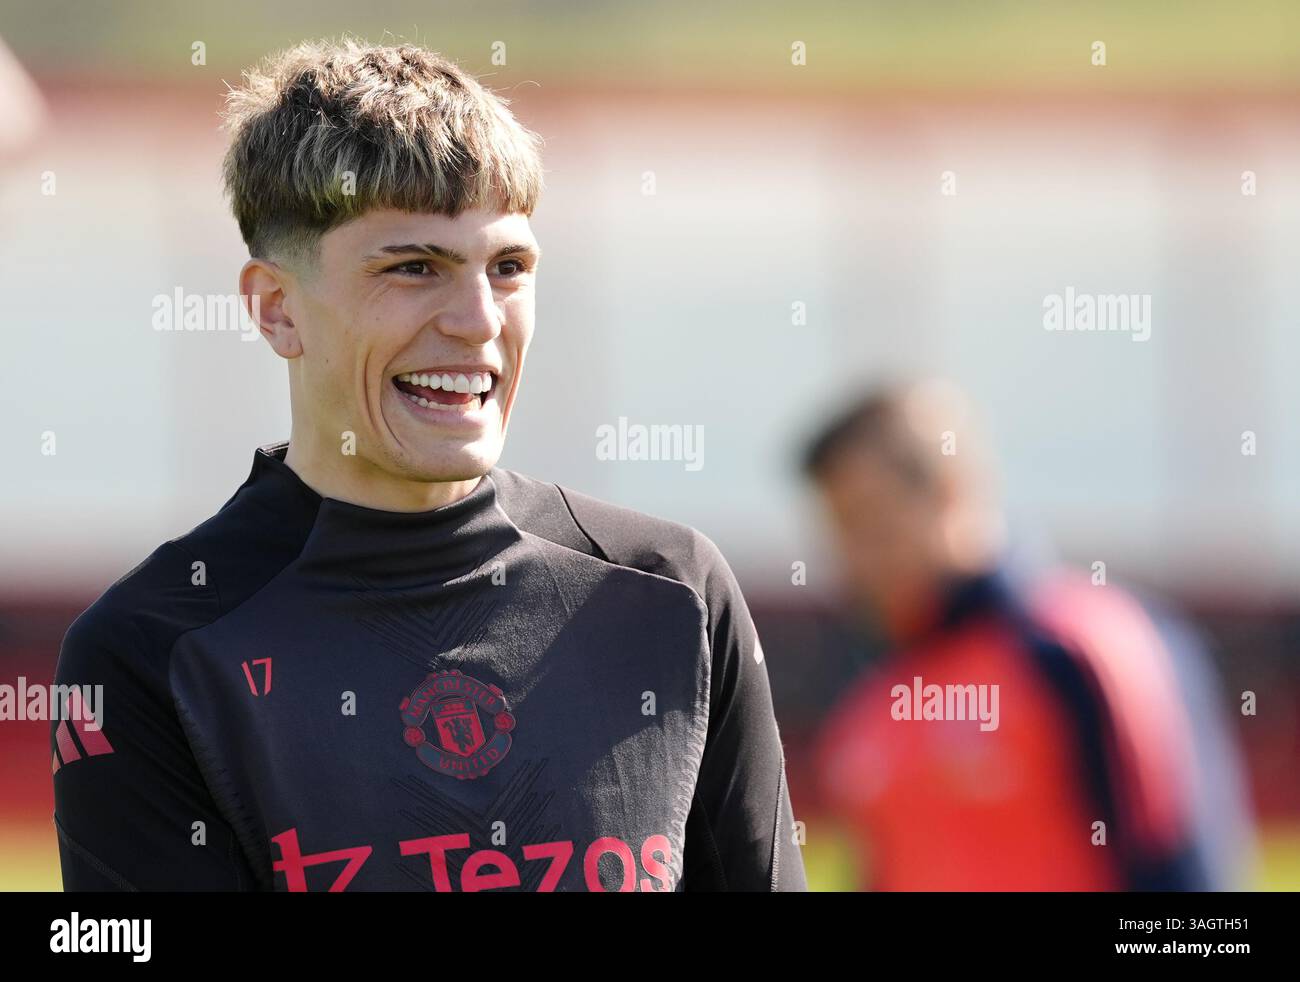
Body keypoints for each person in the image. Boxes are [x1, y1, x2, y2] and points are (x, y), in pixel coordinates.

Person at [50, 37, 805, 893]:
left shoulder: (671, 592)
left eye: (509, 268)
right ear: (276, 310)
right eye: (414, 268)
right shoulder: (153, 648)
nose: (479, 320)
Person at [802, 379, 1250, 890]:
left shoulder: (1086, 650)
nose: (852, 560)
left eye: (870, 522)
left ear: (949, 488)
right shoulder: (874, 700)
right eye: (838, 532)